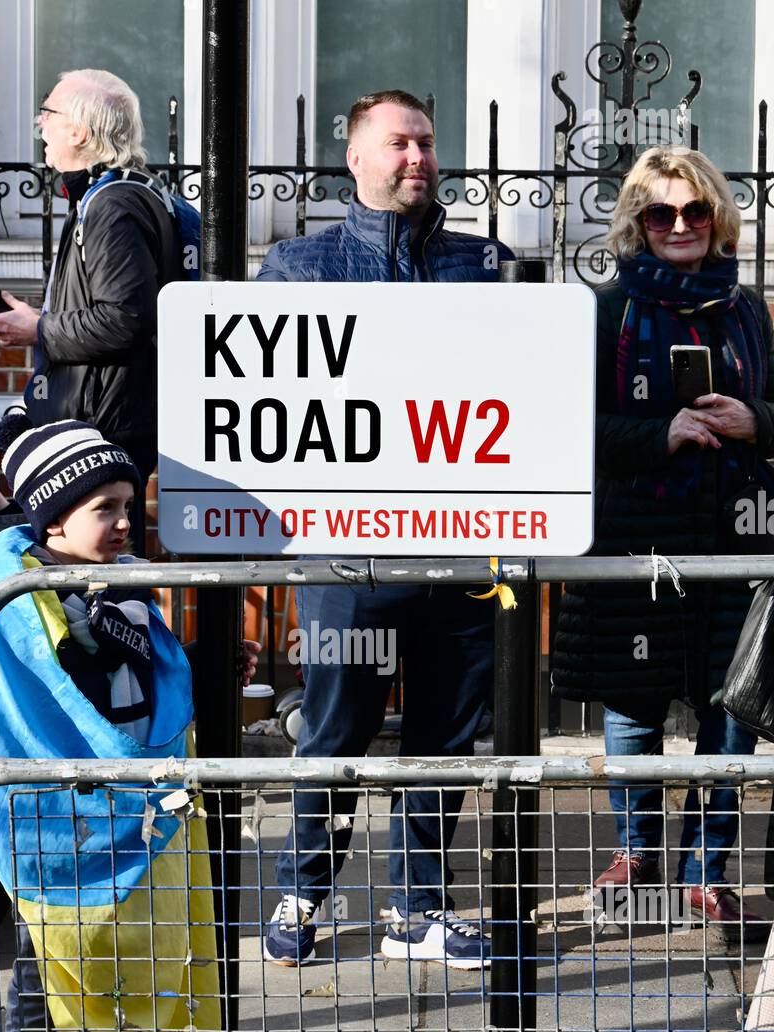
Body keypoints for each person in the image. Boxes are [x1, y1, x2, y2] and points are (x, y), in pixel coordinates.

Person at [257, 90, 514, 969]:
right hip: (347, 552)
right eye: (399, 143)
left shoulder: (487, 264)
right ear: (356, 159)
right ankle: (302, 887)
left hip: (463, 547)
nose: (418, 157)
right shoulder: (298, 267)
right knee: (333, 730)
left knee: (444, 739)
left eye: (426, 143)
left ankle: (417, 910)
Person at [0, 421, 229, 1032]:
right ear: (52, 515)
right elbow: (53, 704)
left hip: (117, 813)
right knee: (48, 979)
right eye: (105, 506)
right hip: (62, 825)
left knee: (101, 977)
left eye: (129, 502)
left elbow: (133, 685)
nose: (126, 520)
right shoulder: (26, 595)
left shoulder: (104, 582)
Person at [552, 146, 774, 940]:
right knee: (634, 705)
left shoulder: (747, 309)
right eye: (660, 213)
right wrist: (662, 432)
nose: (679, 225)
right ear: (636, 224)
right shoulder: (606, 310)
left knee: (730, 708)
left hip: (735, 531)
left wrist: (756, 420)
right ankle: (637, 856)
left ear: (717, 217)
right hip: (635, 530)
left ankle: (706, 875)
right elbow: (569, 429)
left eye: (694, 210)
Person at [0, 69, 182, 554]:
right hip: (109, 416)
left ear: (79, 131)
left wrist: (40, 329)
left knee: (96, 569)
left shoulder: (111, 205)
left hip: (103, 426)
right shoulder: (124, 194)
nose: (39, 126)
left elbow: (126, 318)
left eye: (46, 114)